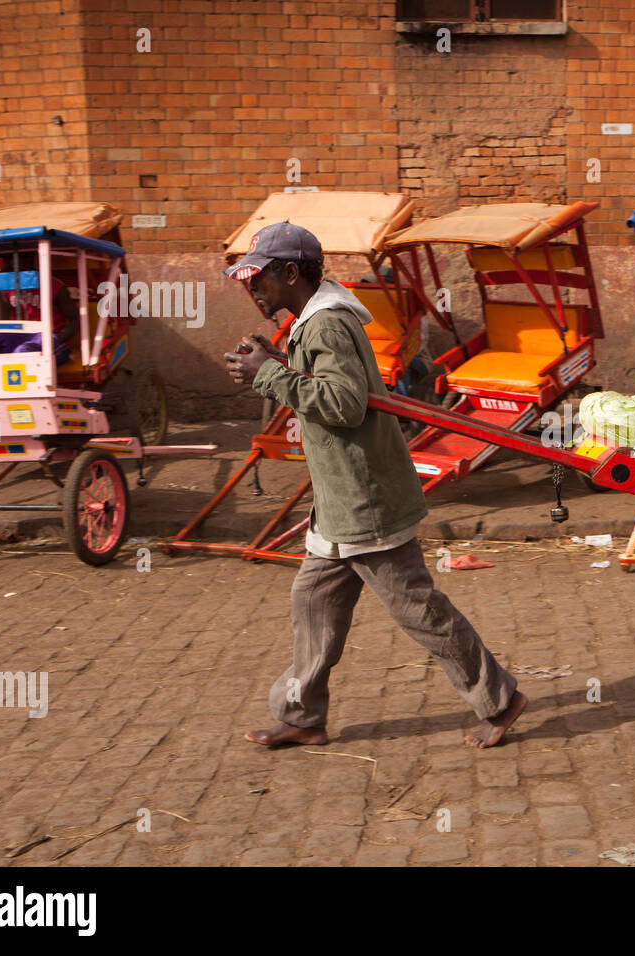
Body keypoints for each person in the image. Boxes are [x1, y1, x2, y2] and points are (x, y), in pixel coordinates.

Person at [222, 221, 526, 749]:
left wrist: (268, 374)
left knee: (418, 610)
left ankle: (499, 699)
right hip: (340, 502)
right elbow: (326, 389)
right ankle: (302, 716)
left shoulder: (326, 326)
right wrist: (270, 365)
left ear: (290, 273)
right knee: (313, 604)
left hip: (366, 501)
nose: (252, 289)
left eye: (259, 278)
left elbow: (343, 403)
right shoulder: (312, 322)